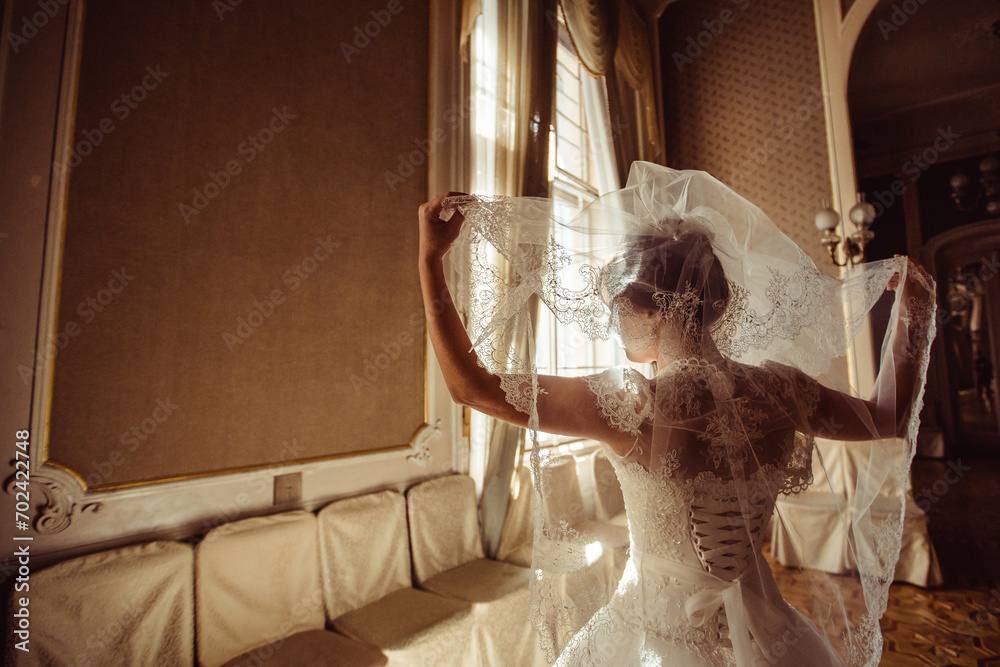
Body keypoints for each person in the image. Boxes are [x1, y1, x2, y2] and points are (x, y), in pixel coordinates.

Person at [418, 163, 936, 666]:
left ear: (656, 309)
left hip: (651, 638)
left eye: (620, 308)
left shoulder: (629, 404)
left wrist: (429, 262)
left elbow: (472, 389)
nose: (615, 323)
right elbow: (888, 417)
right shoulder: (781, 388)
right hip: (768, 638)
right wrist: (912, 313)